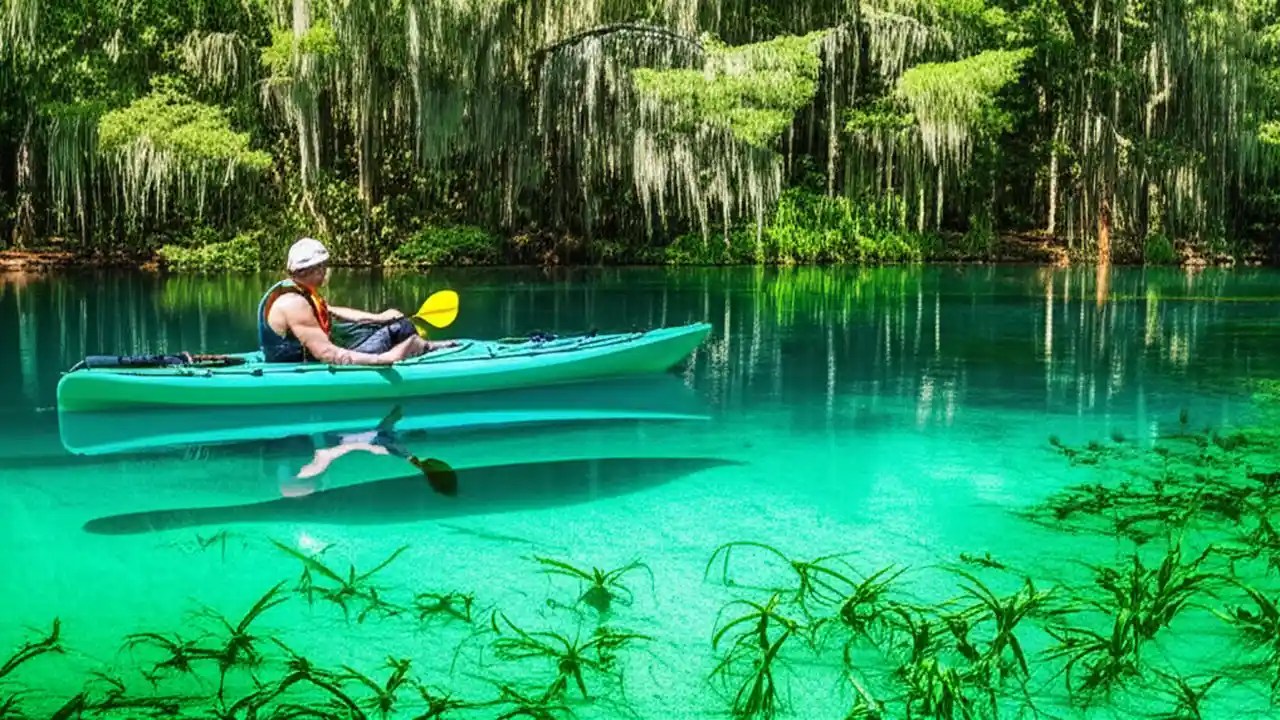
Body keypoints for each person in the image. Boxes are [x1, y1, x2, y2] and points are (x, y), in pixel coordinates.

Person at [257, 237, 451, 365]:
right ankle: (419, 351)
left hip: (308, 360)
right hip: (299, 369)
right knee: (402, 329)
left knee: (396, 325)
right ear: (315, 270)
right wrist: (382, 359)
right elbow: (327, 354)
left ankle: (422, 348)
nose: (326, 271)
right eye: (323, 266)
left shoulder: (297, 291)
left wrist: (379, 317)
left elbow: (332, 310)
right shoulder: (294, 304)